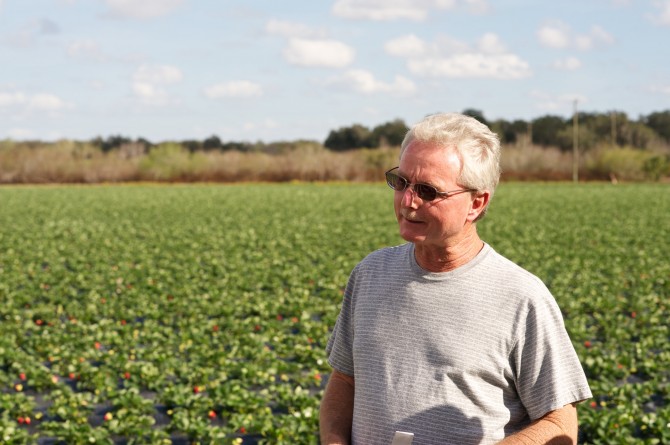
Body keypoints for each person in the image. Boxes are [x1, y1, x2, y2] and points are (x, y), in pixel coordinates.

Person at [319, 113, 592, 445]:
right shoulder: (370, 273)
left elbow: (559, 421)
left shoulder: (520, 296)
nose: (407, 201)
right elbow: (345, 380)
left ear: (476, 203)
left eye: (428, 191)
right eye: (401, 182)